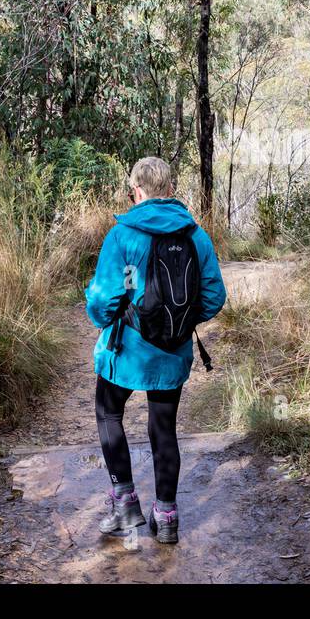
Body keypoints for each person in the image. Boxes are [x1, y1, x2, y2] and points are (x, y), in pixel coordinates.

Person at [84, 156, 226, 544]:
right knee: (164, 429)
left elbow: (103, 303)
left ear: (138, 191)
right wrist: (178, 323)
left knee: (108, 412)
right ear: (169, 190)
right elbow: (214, 296)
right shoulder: (195, 235)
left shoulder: (123, 235)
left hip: (126, 351)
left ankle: (125, 503)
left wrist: (116, 312)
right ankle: (166, 517)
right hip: (172, 352)